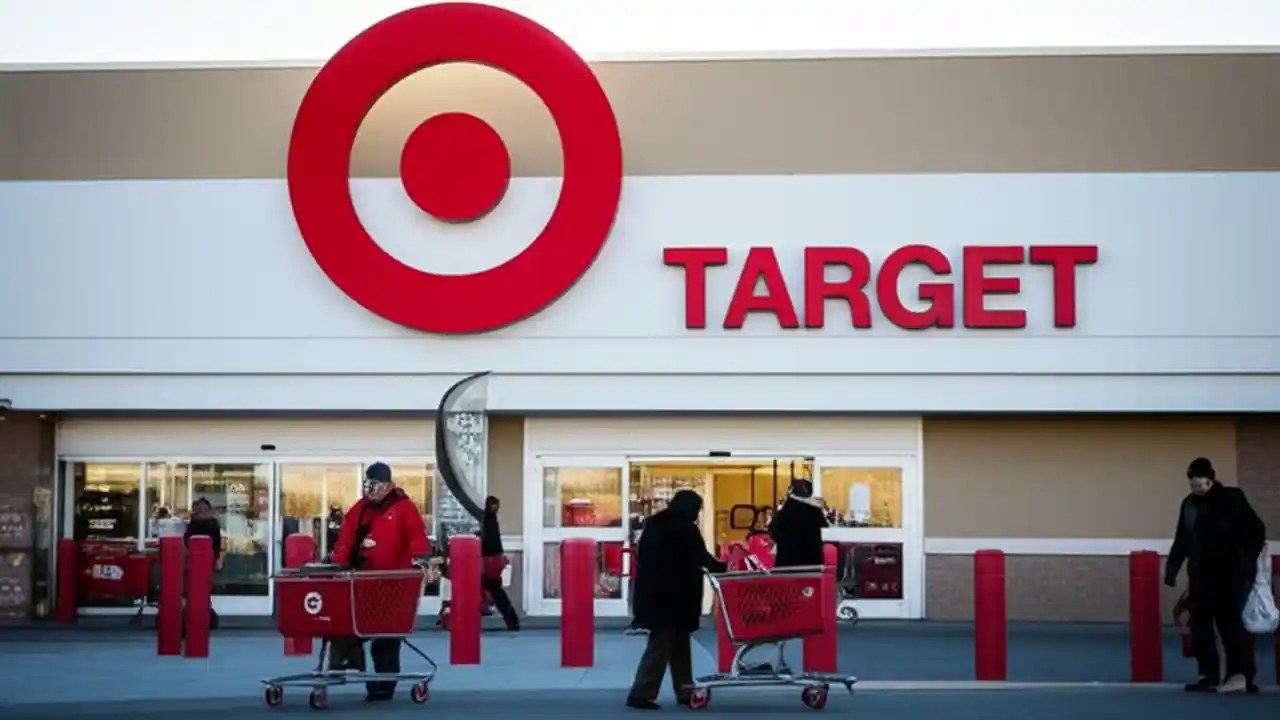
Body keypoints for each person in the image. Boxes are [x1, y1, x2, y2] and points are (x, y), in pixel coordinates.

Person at [1163, 457, 1266, 694]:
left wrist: (1246, 559)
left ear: (1211, 480)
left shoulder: (1231, 499)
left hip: (1230, 574)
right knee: (1200, 626)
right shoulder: (1189, 505)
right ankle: (1208, 675)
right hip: (1200, 574)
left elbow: (1256, 530)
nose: (1198, 490)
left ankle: (1240, 675)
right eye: (1194, 485)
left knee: (1231, 626)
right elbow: (1182, 537)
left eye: (1202, 485)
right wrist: (1172, 568)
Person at [330, 462, 430, 702]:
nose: (370, 489)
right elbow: (346, 539)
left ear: (387, 485)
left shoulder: (404, 508)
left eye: (374, 484)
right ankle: (348, 661)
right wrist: (339, 565)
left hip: (394, 584)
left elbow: (416, 536)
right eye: (367, 484)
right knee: (349, 626)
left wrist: (421, 559)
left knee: (387, 637)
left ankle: (384, 685)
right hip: (363, 583)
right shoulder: (360, 509)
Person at [626, 490, 727, 710]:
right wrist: (724, 568)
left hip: (655, 594)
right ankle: (642, 692)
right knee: (662, 645)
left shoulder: (655, 525)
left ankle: (685, 689)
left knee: (676, 643)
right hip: (676, 596)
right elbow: (700, 556)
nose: (697, 514)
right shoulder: (685, 529)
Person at [480, 495, 520, 631]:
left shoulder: (487, 520)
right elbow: (495, 539)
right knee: (495, 591)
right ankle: (511, 620)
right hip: (495, 559)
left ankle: (511, 620)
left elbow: (489, 540)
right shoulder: (492, 520)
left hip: (489, 560)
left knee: (493, 591)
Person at [768, 478, 828, 567]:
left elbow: (772, 530)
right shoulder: (815, 512)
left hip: (787, 562)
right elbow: (825, 528)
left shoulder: (786, 510)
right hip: (811, 563)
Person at [185, 497, 222, 630]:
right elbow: (217, 543)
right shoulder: (212, 523)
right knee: (204, 587)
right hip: (206, 558)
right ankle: (204, 614)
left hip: (195, 558)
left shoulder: (194, 522)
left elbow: (187, 540)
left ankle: (197, 613)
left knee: (194, 587)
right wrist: (217, 558)